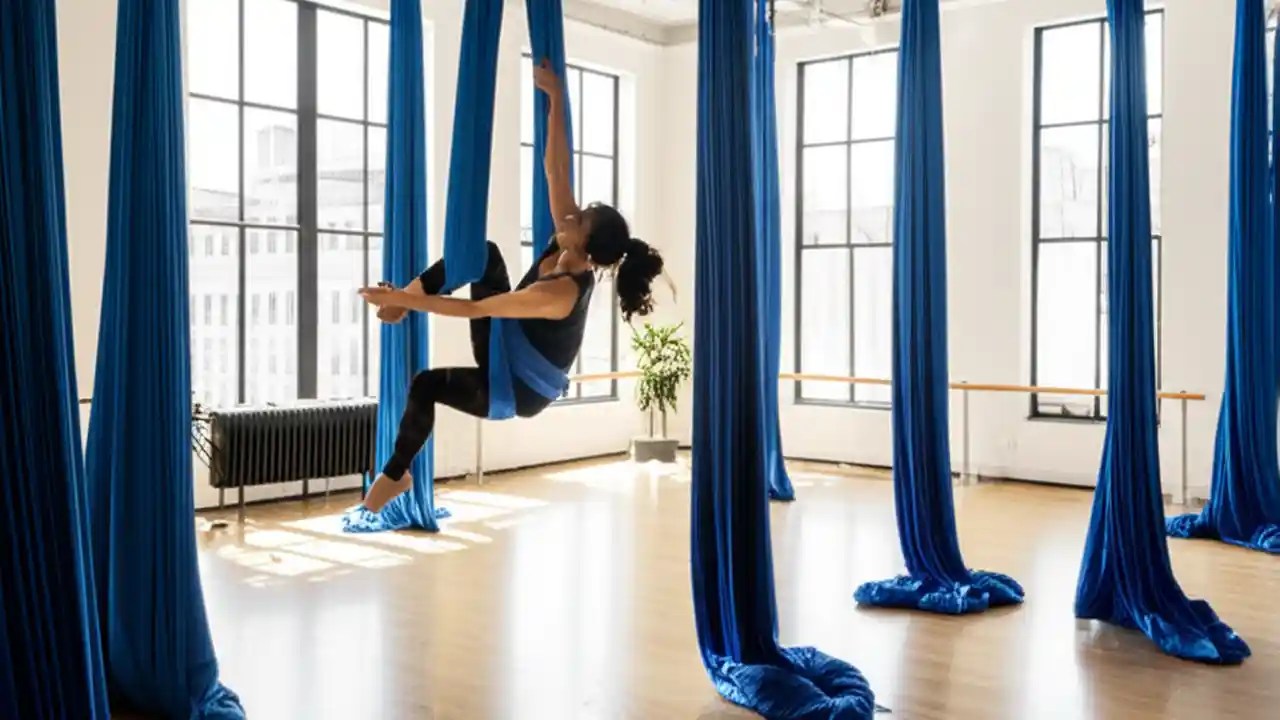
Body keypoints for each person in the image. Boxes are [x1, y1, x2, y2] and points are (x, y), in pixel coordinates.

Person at [356, 59, 665, 513]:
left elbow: (478, 311)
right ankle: (405, 303)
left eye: (579, 219)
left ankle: (395, 475)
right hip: (508, 344)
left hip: (515, 388)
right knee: (482, 253)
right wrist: (557, 97)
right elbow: (555, 170)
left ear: (586, 244)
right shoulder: (565, 242)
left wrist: (397, 297)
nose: (569, 215)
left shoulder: (562, 292)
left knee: (425, 384)